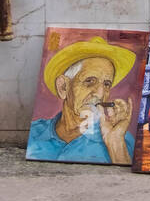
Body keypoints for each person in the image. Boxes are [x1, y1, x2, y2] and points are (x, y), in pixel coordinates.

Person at [27, 36, 136, 164]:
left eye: (106, 84)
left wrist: (115, 143)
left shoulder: (122, 139)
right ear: (63, 87)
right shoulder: (35, 132)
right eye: (89, 81)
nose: (100, 94)